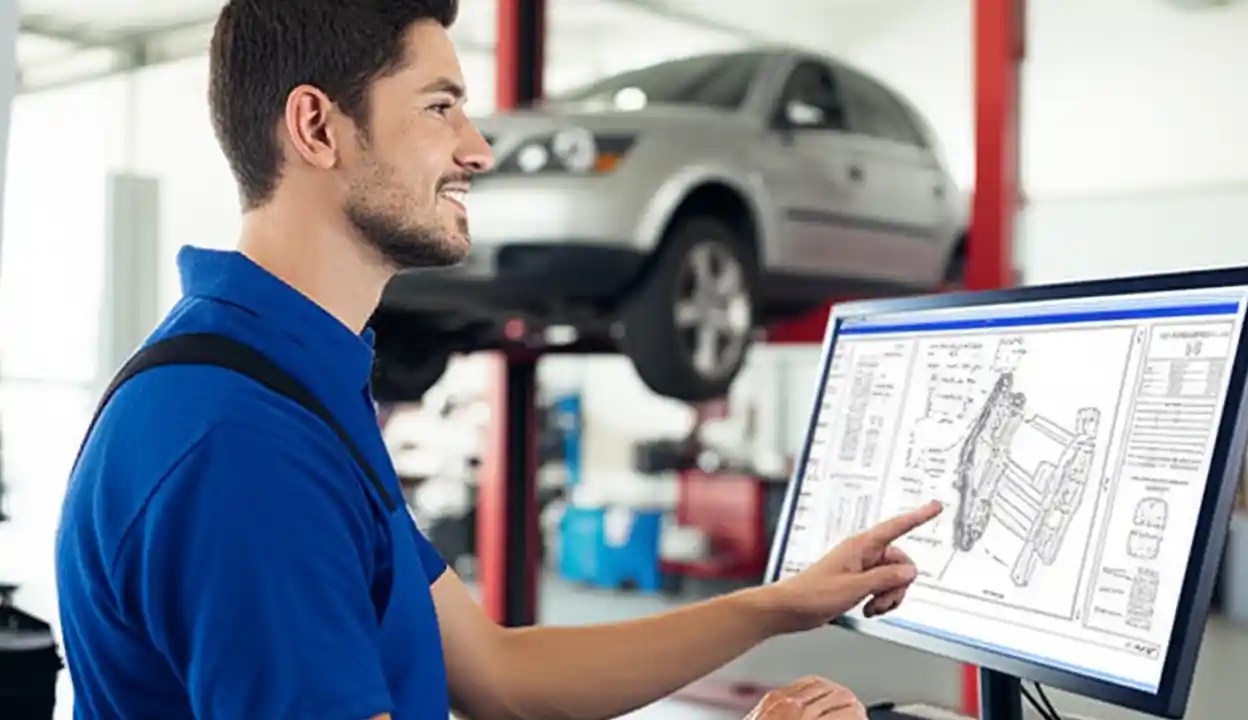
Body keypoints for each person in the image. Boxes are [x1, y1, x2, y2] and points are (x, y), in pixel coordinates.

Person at [53, 2, 943, 719]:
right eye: (440, 106)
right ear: (317, 128)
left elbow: (499, 676)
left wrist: (783, 603)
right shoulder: (240, 441)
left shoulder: (292, 379)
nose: (478, 149)